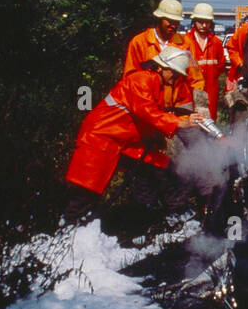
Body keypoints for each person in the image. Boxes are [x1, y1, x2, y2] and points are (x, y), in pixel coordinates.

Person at [64, 45, 208, 216]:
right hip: (100, 138)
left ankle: (170, 215)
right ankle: (67, 231)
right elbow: (147, 112)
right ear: (161, 66)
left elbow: (144, 118)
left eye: (178, 75)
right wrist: (181, 124)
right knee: (87, 190)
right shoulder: (141, 80)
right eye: (173, 72)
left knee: (161, 165)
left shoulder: (156, 85)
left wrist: (155, 136)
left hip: (122, 141)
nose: (175, 78)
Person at [123, 0, 207, 114]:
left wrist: (201, 106)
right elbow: (130, 79)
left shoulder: (185, 44)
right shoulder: (140, 42)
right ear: (159, 18)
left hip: (180, 108)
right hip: (150, 108)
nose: (174, 25)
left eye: (176, 22)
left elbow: (196, 78)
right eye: (170, 21)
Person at [186, 2, 226, 120]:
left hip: (210, 90)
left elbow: (220, 67)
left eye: (207, 22)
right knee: (191, 122)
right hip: (190, 91)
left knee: (210, 121)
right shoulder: (185, 41)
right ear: (194, 21)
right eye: (200, 21)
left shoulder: (216, 43)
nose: (204, 25)